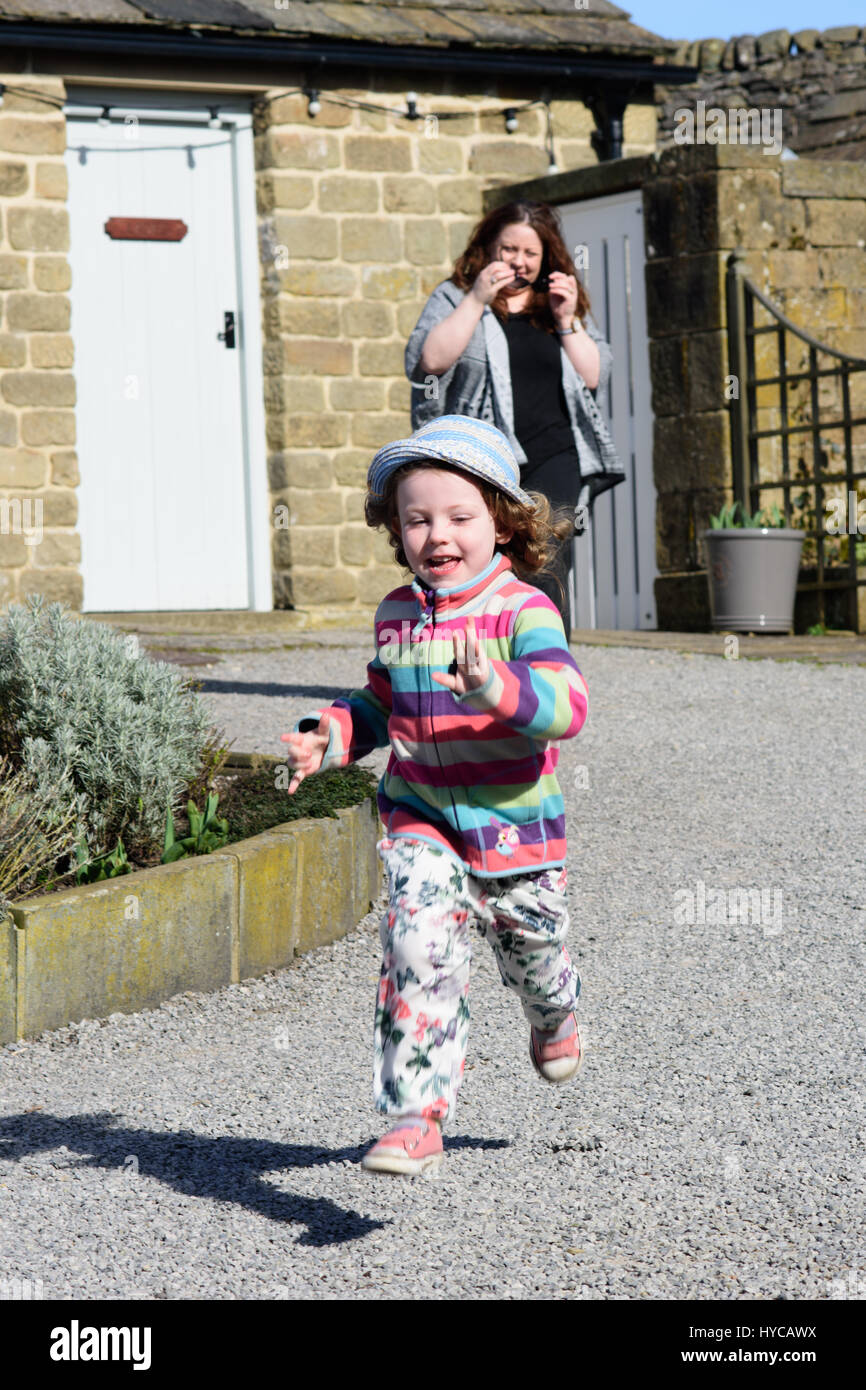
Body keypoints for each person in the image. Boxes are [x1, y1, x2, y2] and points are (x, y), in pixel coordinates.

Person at [280, 415, 589, 1177]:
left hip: (516, 833)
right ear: (395, 529)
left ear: (503, 521)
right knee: (415, 947)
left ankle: (554, 1014)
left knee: (534, 953)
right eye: (416, 519)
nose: (436, 534)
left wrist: (496, 685)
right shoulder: (396, 614)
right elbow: (380, 702)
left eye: (459, 517)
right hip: (422, 820)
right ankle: (414, 1117)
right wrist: (331, 735)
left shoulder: (524, 609)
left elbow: (567, 705)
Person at [405, 200, 624, 631]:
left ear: (546, 259)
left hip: (555, 453)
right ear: (488, 248)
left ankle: (545, 667)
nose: (518, 262)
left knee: (547, 562)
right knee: (471, 558)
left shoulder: (558, 302)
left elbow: (595, 373)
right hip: (478, 458)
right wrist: (477, 298)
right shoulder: (455, 295)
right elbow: (428, 359)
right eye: (508, 250)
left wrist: (565, 319)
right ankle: (460, 664)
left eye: (530, 254)